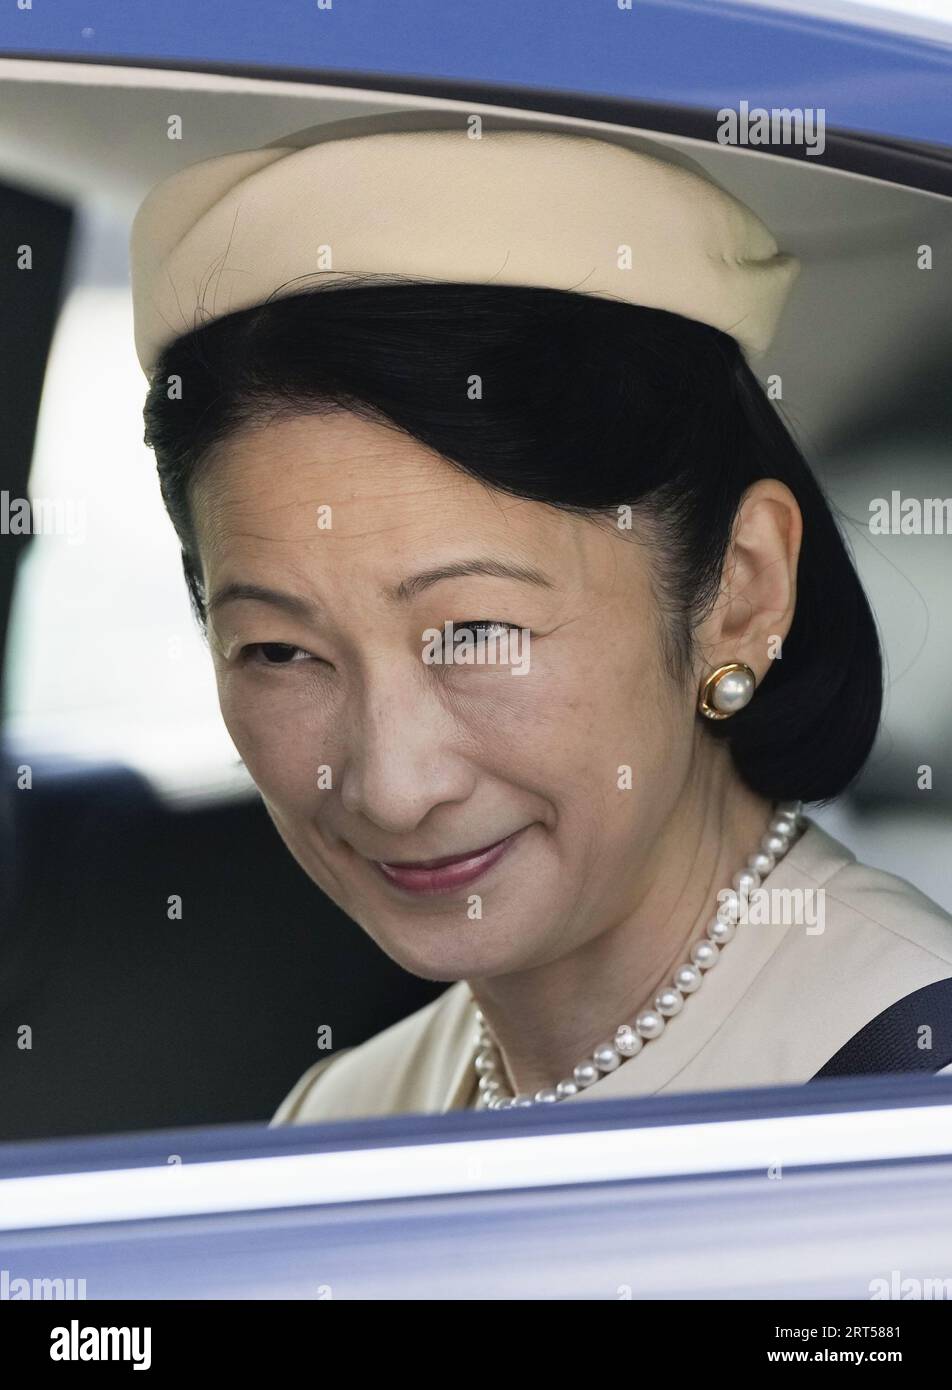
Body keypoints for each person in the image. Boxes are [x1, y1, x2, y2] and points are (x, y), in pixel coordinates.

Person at [129, 113, 952, 1121]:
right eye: (280, 650)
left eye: (475, 632)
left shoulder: (906, 1103)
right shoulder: (339, 1114)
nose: (393, 787)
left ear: (739, 593)